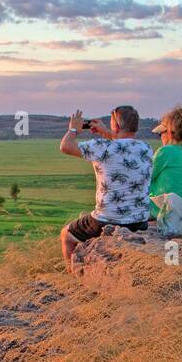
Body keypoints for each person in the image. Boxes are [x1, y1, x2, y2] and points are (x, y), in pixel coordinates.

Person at [58, 105, 153, 273]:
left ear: (115, 126)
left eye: (111, 124)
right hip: (140, 222)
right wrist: (105, 132)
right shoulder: (146, 148)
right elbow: (123, 145)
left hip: (107, 220)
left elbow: (65, 146)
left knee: (66, 235)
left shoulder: (102, 147)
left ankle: (72, 277)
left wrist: (74, 129)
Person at [148, 105, 182, 219]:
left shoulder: (165, 151)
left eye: (160, 134)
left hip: (165, 209)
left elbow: (147, 176)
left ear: (168, 132)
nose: (160, 137)